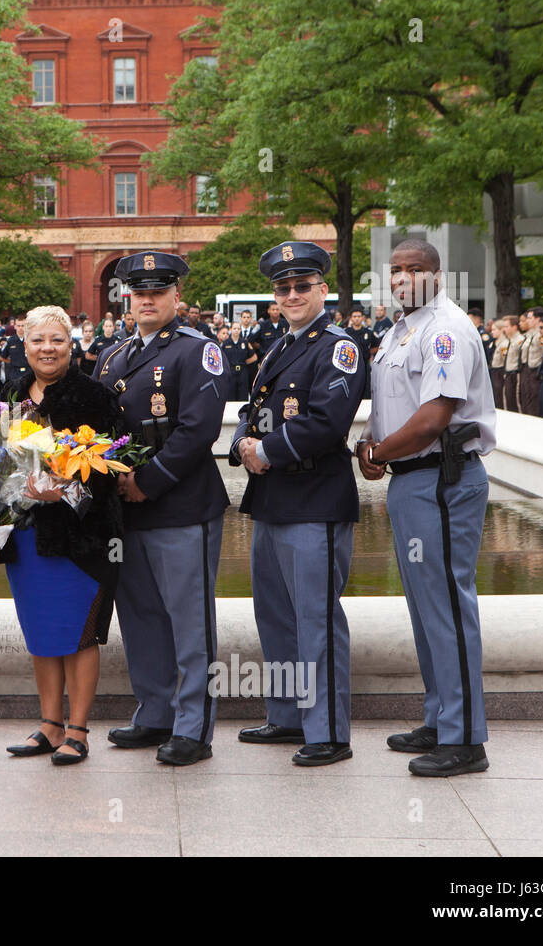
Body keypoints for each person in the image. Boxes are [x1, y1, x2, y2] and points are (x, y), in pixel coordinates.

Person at [356, 239, 496, 777]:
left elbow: (435, 417)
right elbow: (395, 406)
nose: (403, 278)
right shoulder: (401, 329)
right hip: (413, 480)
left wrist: (377, 452)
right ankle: (441, 718)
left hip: (442, 477)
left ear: (438, 275)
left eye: (415, 269)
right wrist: (375, 447)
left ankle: (465, 741)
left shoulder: (445, 329)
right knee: (424, 608)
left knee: (449, 610)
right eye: (395, 270)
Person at [230, 242, 367, 766]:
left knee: (316, 620)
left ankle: (329, 731)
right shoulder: (280, 345)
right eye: (282, 288)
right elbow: (254, 405)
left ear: (321, 291)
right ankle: (288, 716)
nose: (291, 294)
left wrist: (265, 449)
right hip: (271, 499)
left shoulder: (338, 345)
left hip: (315, 497)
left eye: (301, 286)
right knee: (277, 618)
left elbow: (327, 421)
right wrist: (244, 441)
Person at [96, 251, 228, 766]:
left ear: (177, 297)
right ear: (127, 297)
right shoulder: (113, 356)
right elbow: (104, 430)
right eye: (138, 292)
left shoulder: (198, 351)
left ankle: (193, 727)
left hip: (180, 505)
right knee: (142, 616)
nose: (147, 300)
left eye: (158, 291)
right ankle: (155, 711)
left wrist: (146, 482)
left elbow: (198, 429)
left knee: (190, 621)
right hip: (128, 508)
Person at [1, 305, 124, 766]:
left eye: (57, 340)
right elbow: (0, 459)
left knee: (79, 633)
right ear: (24, 343)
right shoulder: (11, 392)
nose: (47, 349)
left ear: (71, 344)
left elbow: (112, 466)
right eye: (38, 340)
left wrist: (66, 489)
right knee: (42, 632)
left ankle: (78, 730)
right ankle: (50, 725)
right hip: (28, 536)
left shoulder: (94, 395)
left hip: (82, 536)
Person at [346, 307, 379, 400]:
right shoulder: (346, 333)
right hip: (350, 367)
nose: (357, 318)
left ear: (363, 318)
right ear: (351, 318)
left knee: (366, 391)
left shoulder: (368, 332)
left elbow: (377, 346)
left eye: (359, 316)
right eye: (354, 316)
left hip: (364, 366)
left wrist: (369, 353)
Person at [518, 309, 543, 416]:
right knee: (525, 398)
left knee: (533, 400)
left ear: (537, 319)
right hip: (525, 369)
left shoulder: (540, 335)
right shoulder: (529, 335)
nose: (527, 321)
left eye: (530, 318)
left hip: (534, 370)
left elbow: (542, 353)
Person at [218, 324, 252, 402]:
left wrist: (244, 363)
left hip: (243, 372)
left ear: (240, 330)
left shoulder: (245, 342)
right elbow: (221, 358)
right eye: (234, 328)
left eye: (238, 329)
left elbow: (254, 357)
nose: (236, 330)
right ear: (231, 330)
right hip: (231, 371)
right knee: (230, 396)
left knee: (243, 397)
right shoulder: (226, 343)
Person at [502, 315, 523, 412]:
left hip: (514, 373)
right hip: (508, 373)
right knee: (508, 400)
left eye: (507, 326)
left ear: (514, 327)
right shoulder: (510, 340)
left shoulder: (519, 340)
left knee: (514, 401)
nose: (504, 329)